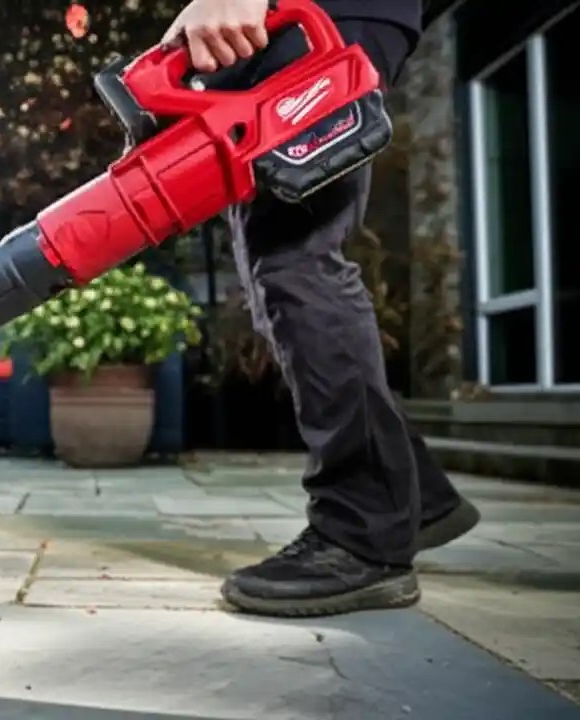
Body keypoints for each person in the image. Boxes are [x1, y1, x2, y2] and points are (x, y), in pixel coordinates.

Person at [159, 0, 481, 617]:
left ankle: (362, 535)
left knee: (296, 258)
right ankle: (411, 493)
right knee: (275, 268)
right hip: (319, 16)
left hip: (326, 13)